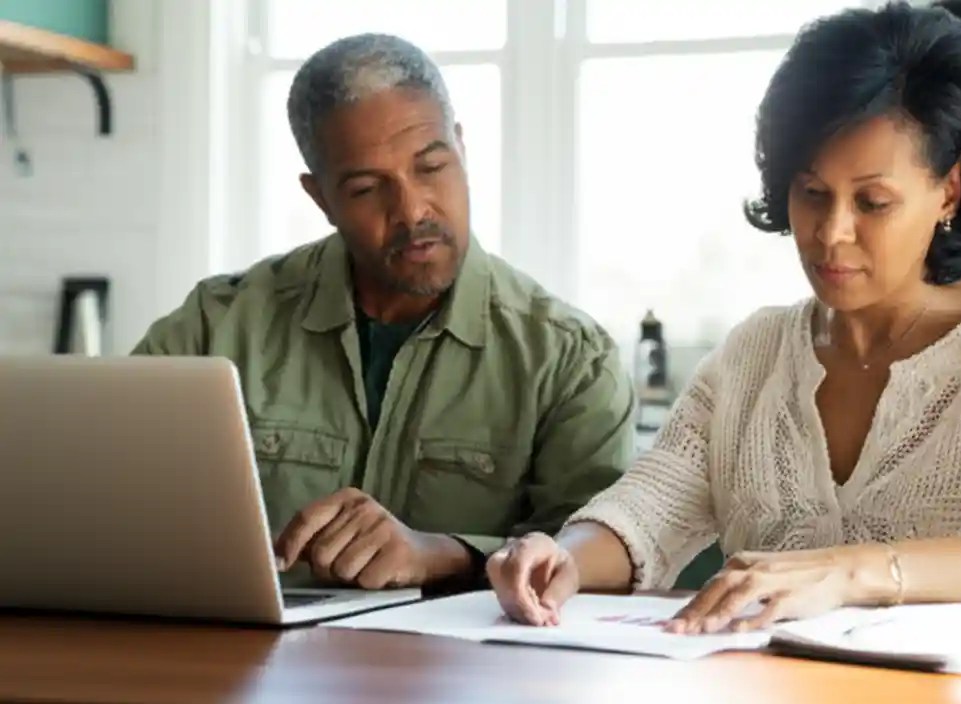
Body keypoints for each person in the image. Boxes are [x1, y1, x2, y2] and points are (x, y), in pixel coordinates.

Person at [488, 1, 961, 632]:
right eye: (812, 193)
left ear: (949, 188)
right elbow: (644, 513)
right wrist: (565, 555)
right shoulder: (755, 354)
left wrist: (854, 571)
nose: (831, 233)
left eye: (873, 202)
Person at [133, 34, 634, 592]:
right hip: (254, 665)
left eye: (431, 166)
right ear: (321, 198)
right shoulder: (216, 327)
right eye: (368, 189)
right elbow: (104, 491)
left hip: (474, 672)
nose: (412, 210)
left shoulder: (569, 359)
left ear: (462, 151)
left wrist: (440, 554)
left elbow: (599, 560)